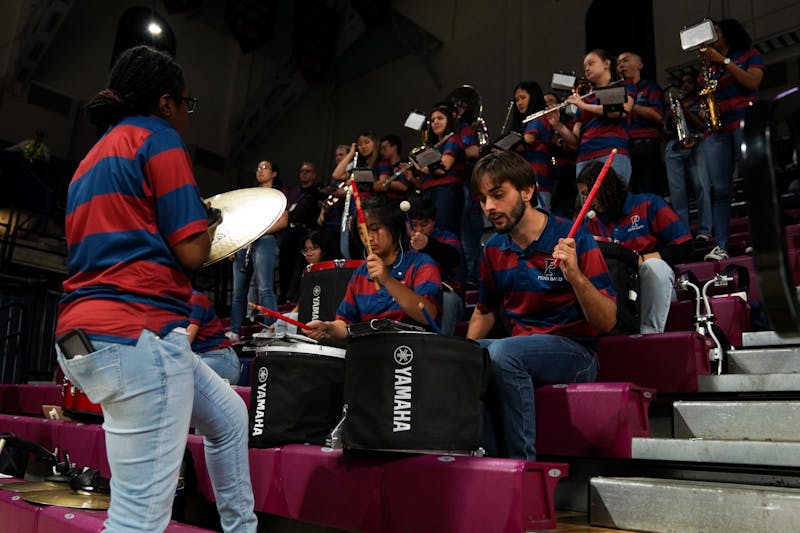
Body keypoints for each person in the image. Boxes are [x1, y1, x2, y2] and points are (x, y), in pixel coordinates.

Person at [54, 45, 257, 533]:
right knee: (138, 519)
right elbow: (191, 252)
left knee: (228, 416)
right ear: (166, 102)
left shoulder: (91, 157)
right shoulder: (159, 138)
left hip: (82, 337)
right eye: (187, 103)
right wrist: (209, 223)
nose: (188, 113)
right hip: (137, 334)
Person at [466, 151, 616, 462]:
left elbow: (606, 321)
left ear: (527, 190)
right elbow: (484, 311)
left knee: (503, 354)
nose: (489, 207)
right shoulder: (492, 249)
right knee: (470, 357)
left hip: (576, 353)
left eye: (497, 195)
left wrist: (574, 275)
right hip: (520, 351)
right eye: (483, 200)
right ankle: (490, 470)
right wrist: (463, 358)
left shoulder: (574, 237)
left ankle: (524, 472)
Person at [306, 198, 442, 342]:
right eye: (362, 231)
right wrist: (329, 328)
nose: (368, 238)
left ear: (394, 227)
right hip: (373, 353)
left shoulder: (422, 264)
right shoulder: (360, 273)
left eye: (375, 229)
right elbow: (345, 323)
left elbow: (428, 314)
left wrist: (387, 280)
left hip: (413, 351)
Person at [578, 161, 692, 334]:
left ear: (605, 188)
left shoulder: (649, 204)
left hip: (652, 285)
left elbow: (685, 247)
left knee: (654, 267)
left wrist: (642, 259)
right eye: (584, 195)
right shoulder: (591, 222)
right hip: (618, 290)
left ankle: (649, 336)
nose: (588, 201)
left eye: (589, 194)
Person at [698, 18, 765, 261]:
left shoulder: (749, 54)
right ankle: (722, 245)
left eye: (714, 30)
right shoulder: (707, 67)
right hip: (717, 130)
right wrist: (705, 110)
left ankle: (758, 238)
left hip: (744, 123)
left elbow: (752, 82)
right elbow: (703, 98)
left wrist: (724, 61)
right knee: (721, 190)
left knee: (752, 183)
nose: (710, 35)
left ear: (727, 34)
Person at [552, 49, 635, 183]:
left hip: (611, 152)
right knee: (588, 204)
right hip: (584, 158)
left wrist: (584, 106)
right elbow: (575, 140)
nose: (587, 68)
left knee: (614, 201)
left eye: (591, 63)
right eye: (585, 66)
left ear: (606, 64)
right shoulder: (586, 98)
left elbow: (621, 111)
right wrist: (558, 125)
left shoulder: (621, 85)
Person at [229, 160, 288, 340]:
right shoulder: (251, 194)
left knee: (264, 288)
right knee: (239, 291)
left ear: (274, 173)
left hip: (264, 240)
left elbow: (283, 222)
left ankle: (270, 326)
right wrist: (233, 244)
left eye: (265, 168)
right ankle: (234, 330)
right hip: (244, 242)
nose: (260, 171)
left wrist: (257, 231)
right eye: (258, 168)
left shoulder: (278, 195)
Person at [664, 72, 713, 242]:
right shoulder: (674, 104)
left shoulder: (700, 101)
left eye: (688, 82)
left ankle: (705, 230)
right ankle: (683, 234)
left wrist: (686, 111)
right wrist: (672, 115)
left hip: (697, 142)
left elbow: (703, 125)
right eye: (682, 83)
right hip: (675, 145)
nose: (685, 86)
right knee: (678, 194)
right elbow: (666, 130)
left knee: (701, 187)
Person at [408, 197, 466, 336]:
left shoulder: (446, 237)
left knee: (447, 299)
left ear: (433, 222)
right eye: (414, 225)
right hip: (415, 296)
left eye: (424, 224)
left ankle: (442, 348)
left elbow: (454, 258)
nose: (419, 230)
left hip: (446, 296)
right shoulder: (404, 243)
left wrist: (428, 245)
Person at [617, 51, 667, 195]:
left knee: (647, 191)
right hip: (623, 147)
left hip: (645, 145)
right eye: (619, 62)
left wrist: (629, 103)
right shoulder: (617, 89)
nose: (621, 65)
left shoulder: (650, 87)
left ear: (639, 65)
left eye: (625, 60)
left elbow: (658, 116)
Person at [415, 102, 467, 237]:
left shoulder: (453, 140)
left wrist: (420, 166)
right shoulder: (434, 146)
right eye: (432, 120)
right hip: (431, 193)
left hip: (446, 191)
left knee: (446, 232)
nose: (435, 122)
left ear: (449, 121)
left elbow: (444, 168)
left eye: (440, 118)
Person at [279, 161, 322, 303]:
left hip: (305, 234)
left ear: (314, 175)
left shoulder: (317, 193)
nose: (304, 173)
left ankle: (296, 298)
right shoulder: (293, 192)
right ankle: (283, 295)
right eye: (302, 171)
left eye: (308, 171)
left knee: (300, 266)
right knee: (285, 265)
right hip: (289, 231)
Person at [510, 81, 554, 210]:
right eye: (517, 99)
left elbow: (528, 140)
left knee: (540, 214)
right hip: (527, 175)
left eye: (523, 98)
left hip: (538, 175)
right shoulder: (529, 121)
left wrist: (503, 146)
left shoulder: (539, 118)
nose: (519, 103)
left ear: (533, 97)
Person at [188, 289, 242, 384]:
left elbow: (185, 341)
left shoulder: (194, 298)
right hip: (197, 358)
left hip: (220, 358)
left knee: (177, 374)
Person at [374, 133, 412, 201]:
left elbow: (403, 186)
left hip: (401, 203)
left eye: (384, 148)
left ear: (394, 147)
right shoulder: (380, 165)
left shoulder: (403, 165)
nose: (382, 152)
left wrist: (382, 183)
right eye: (381, 149)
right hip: (383, 203)